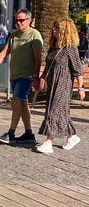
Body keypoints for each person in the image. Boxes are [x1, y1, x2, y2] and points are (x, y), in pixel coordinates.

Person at [0, 8, 42, 145]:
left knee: (16, 101)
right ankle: (29, 134)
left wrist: (36, 77)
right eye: (16, 20)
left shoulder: (34, 35)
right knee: (23, 104)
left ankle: (11, 133)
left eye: (21, 20)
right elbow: (4, 53)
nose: (18, 23)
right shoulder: (14, 36)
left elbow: (38, 59)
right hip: (15, 75)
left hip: (26, 76)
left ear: (29, 20)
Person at [36, 19, 85, 154]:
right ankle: (72, 137)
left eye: (56, 27)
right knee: (61, 112)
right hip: (52, 83)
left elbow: (78, 69)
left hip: (63, 85)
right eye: (53, 26)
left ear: (65, 30)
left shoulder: (70, 48)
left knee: (54, 111)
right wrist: (42, 78)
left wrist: (81, 88)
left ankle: (48, 142)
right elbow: (48, 66)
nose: (53, 29)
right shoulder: (53, 47)